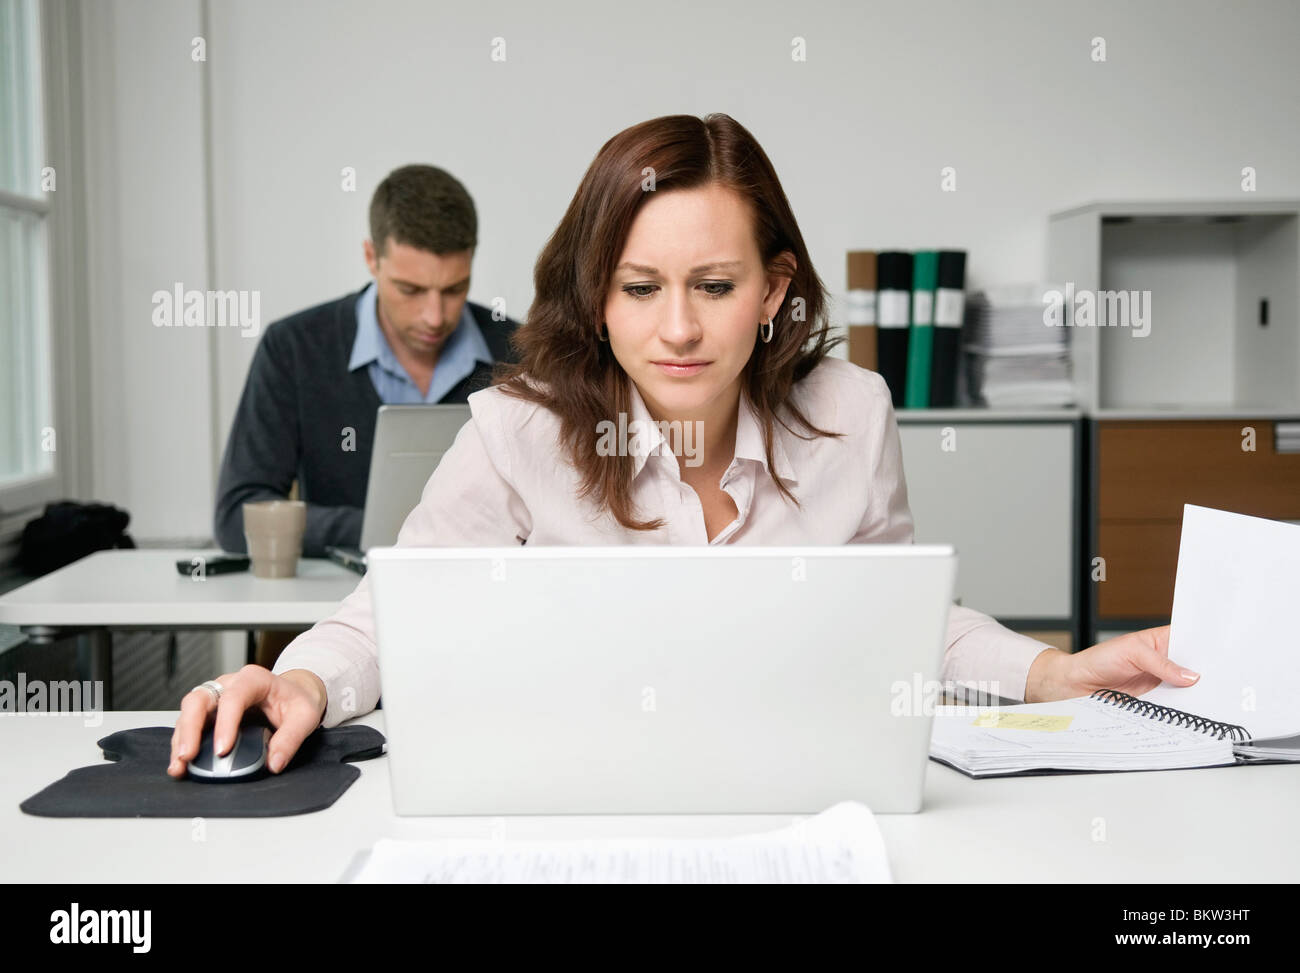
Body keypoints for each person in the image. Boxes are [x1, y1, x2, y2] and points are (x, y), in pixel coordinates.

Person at [170, 113, 1199, 778]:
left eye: (714, 285)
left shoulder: (852, 412)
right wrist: (299, 682)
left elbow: (902, 617)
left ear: (772, 290)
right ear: (597, 297)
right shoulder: (517, 424)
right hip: (583, 801)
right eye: (638, 287)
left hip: (795, 795)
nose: (677, 330)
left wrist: (1053, 672)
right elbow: (382, 618)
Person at [213, 164, 522, 558]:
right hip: (333, 601)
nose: (435, 315)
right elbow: (238, 517)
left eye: (454, 289)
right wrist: (390, 529)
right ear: (370, 257)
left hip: (482, 594)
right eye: (410, 289)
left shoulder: (522, 354)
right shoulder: (294, 348)